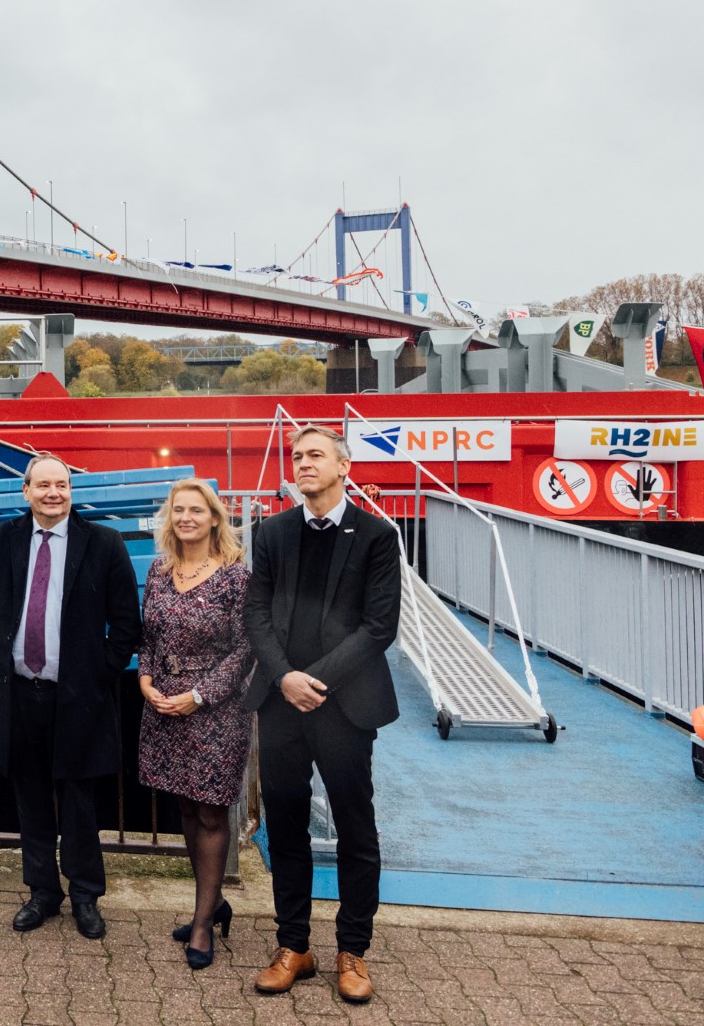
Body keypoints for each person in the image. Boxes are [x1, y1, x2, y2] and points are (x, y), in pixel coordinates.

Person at [243, 425, 400, 1004]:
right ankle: (294, 946)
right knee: (286, 827)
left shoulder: (377, 536)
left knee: (356, 828)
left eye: (315, 455)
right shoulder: (272, 532)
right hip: (281, 704)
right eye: (297, 456)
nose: (304, 463)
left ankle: (352, 950)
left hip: (345, 707)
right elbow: (256, 613)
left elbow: (379, 627)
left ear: (343, 466)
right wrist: (285, 677)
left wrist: (317, 681)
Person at [0, 453, 141, 937]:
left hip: (77, 696)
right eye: (43, 485)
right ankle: (42, 892)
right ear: (26, 491)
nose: (53, 493)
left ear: (70, 490)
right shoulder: (1, 540)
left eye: (61, 485)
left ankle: (85, 895)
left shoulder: (103, 543)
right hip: (17, 694)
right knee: (29, 800)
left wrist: (96, 674)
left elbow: (126, 624)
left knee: (79, 801)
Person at [137, 478, 254, 969]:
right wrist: (145, 679)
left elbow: (246, 648)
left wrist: (200, 696)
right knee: (186, 808)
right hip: (164, 707)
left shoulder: (235, 576)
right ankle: (211, 903)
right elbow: (148, 638)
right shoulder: (159, 570)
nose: (186, 518)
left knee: (210, 812)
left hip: (215, 713)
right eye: (178, 510)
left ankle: (203, 924)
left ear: (214, 518)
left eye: (196, 510)